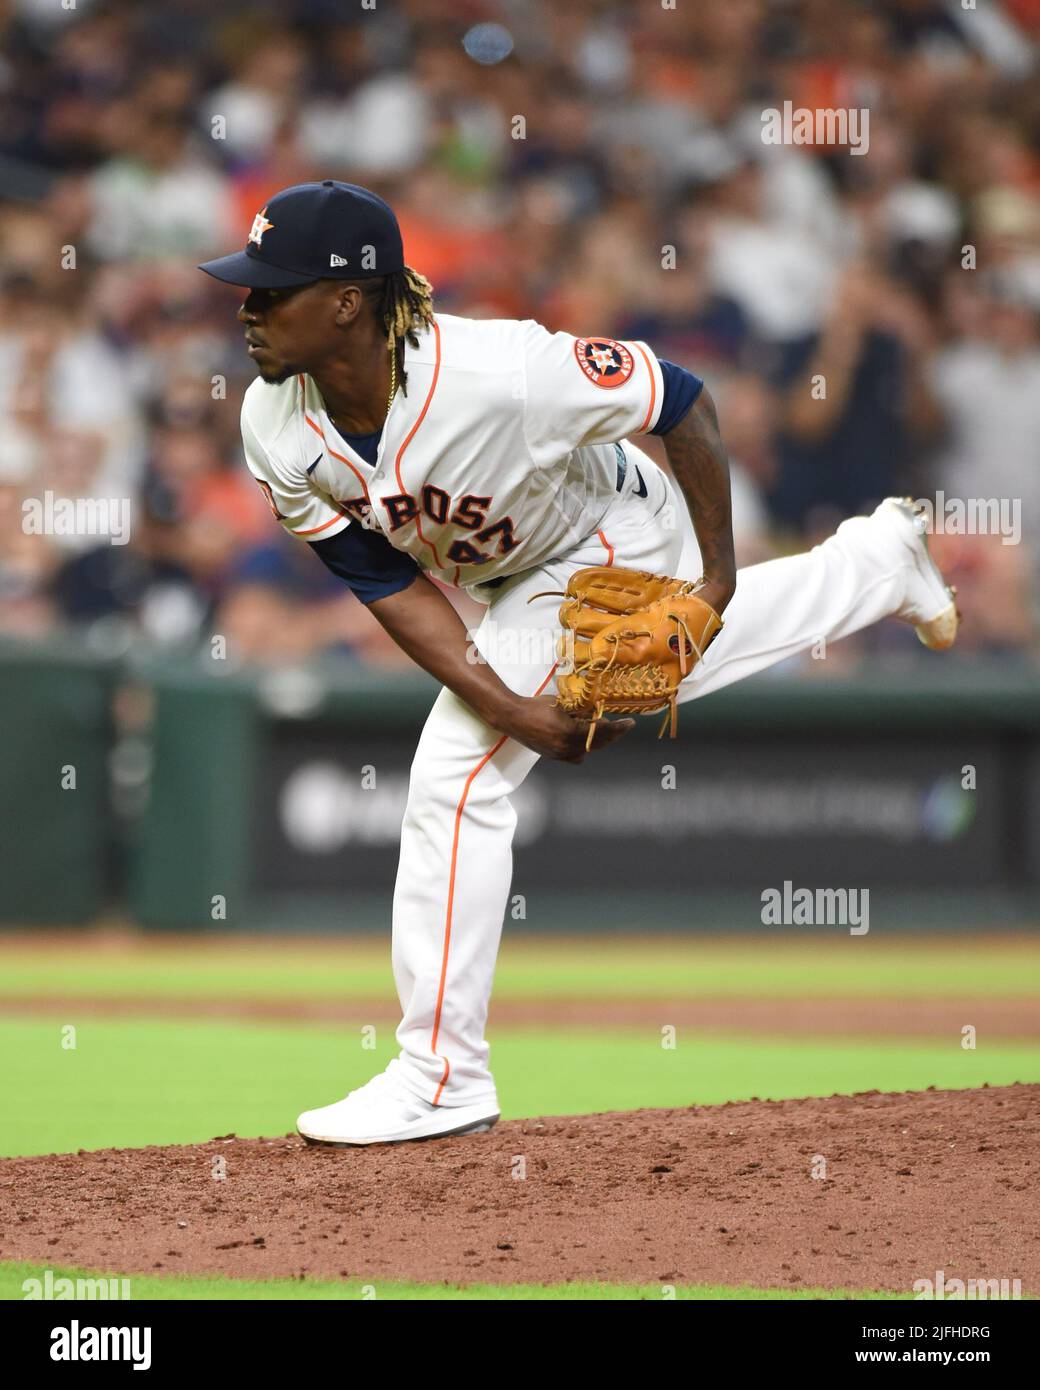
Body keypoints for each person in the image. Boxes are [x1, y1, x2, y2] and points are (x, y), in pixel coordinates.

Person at [199, 181, 958, 1146]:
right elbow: (381, 583)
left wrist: (714, 581)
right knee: (598, 692)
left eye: (271, 291)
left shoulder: (505, 369)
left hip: (611, 530)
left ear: (347, 300)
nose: (247, 308)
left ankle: (440, 1077)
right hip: (501, 576)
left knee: (453, 776)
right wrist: (507, 701)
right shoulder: (274, 423)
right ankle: (874, 564)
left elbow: (680, 399)